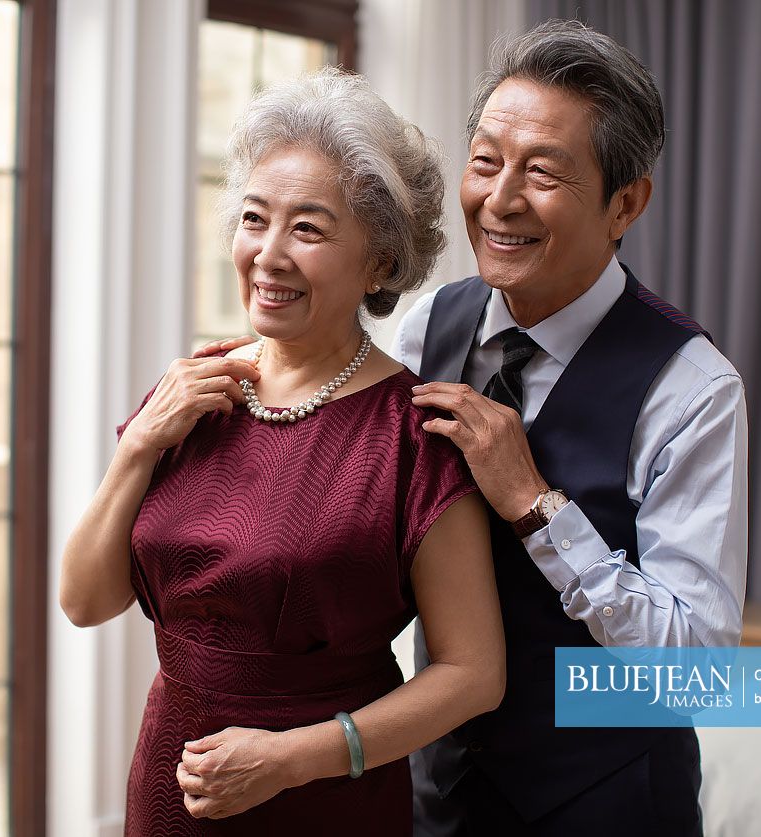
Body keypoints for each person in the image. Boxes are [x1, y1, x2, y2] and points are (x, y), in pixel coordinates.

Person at [59, 68, 505, 837]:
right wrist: (137, 447)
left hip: (327, 798)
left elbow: (474, 674)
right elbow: (85, 601)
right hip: (172, 790)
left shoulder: (413, 435)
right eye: (254, 219)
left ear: (379, 260)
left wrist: (291, 759)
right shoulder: (189, 391)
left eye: (307, 228)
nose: (267, 254)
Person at [392, 19, 749, 837]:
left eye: (542, 171)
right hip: (437, 793)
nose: (500, 199)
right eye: (485, 161)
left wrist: (536, 505)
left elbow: (698, 670)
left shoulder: (692, 388)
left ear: (626, 203)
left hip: (611, 804)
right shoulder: (423, 330)